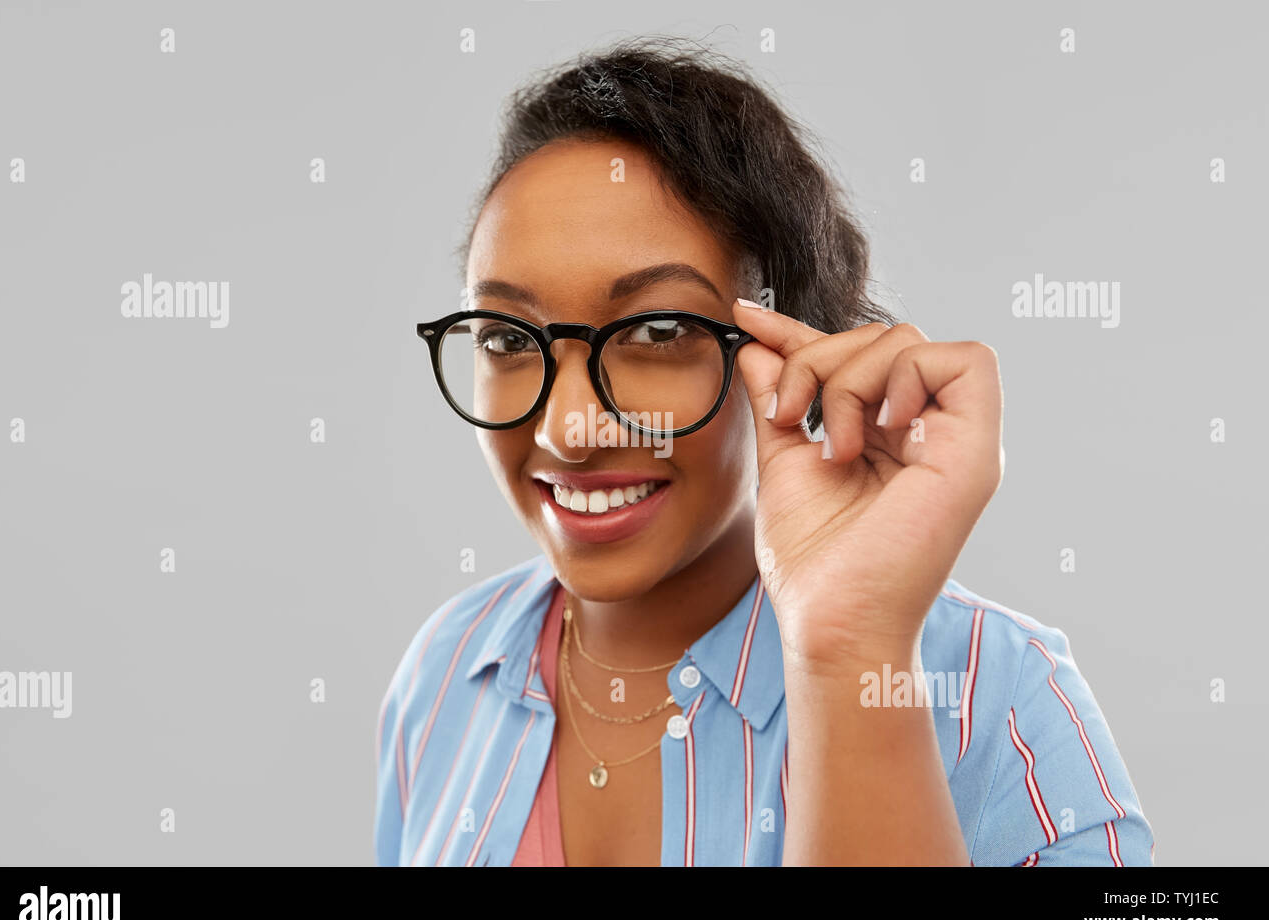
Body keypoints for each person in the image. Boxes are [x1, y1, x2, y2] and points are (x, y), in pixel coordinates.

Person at [375, 36, 1153, 866]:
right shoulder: (447, 672)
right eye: (507, 337)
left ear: (797, 349)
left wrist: (849, 650)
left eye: (659, 331)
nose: (570, 429)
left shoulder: (995, 697)